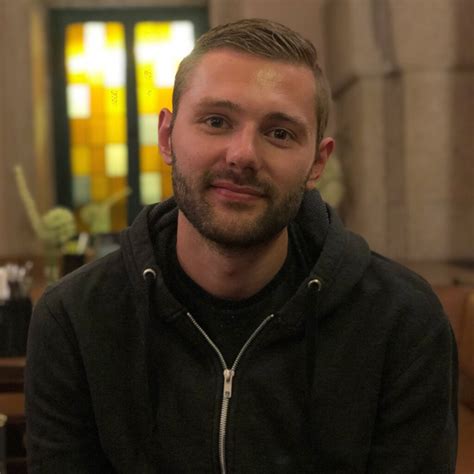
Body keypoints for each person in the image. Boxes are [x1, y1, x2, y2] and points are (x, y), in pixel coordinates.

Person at [25, 18, 457, 473]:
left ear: (317, 163)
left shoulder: (402, 320)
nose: (243, 155)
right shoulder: (74, 318)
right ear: (167, 137)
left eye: (279, 133)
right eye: (216, 121)